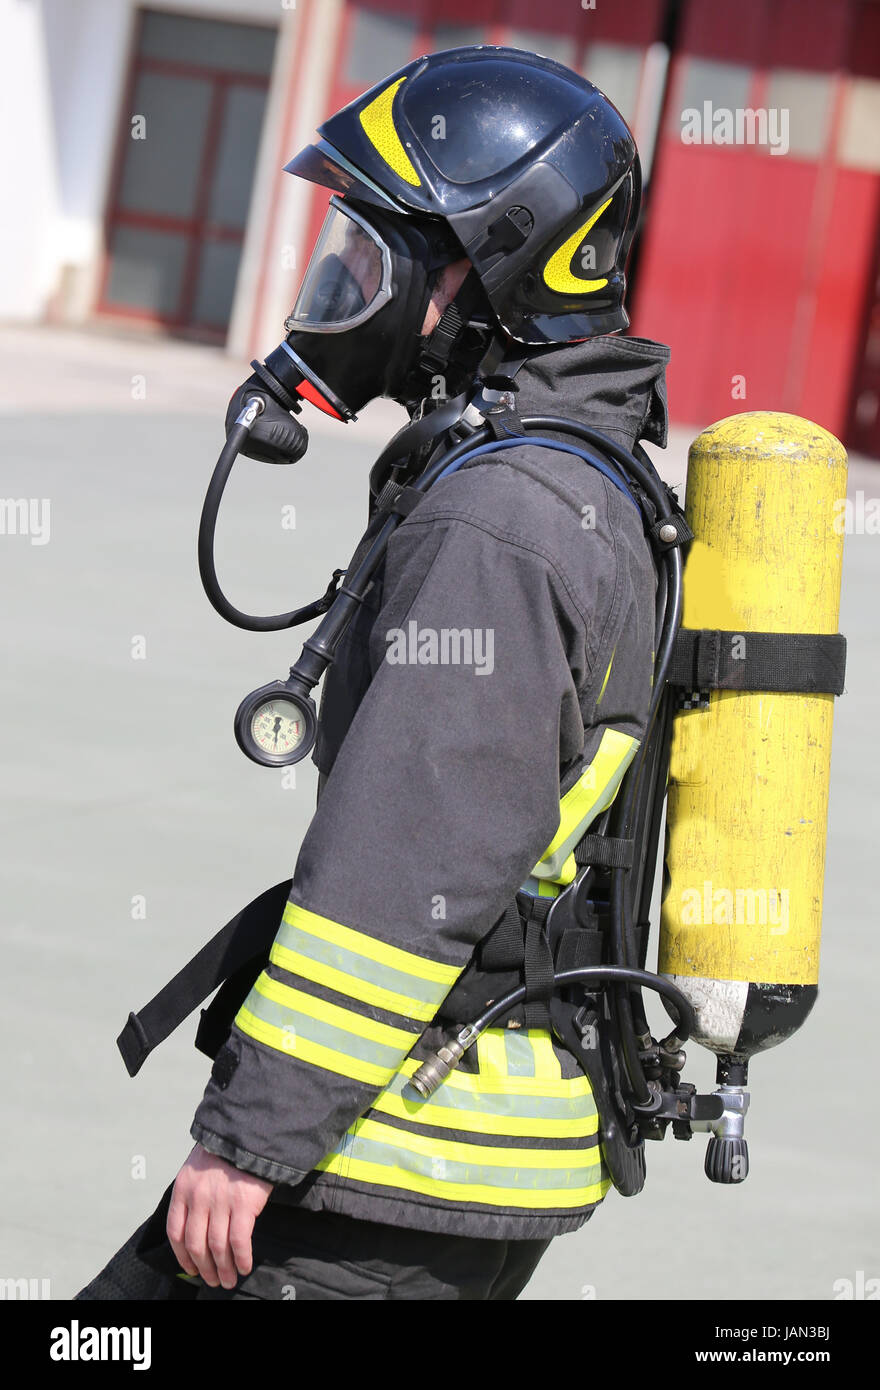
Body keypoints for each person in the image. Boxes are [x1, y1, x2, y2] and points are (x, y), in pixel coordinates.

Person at [148, 45, 672, 1302]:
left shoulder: (498, 518)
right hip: (466, 1159)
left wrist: (248, 1139)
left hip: (390, 1167)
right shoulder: (586, 478)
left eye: (375, 257)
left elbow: (412, 856)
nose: (342, 290)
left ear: (485, 273)